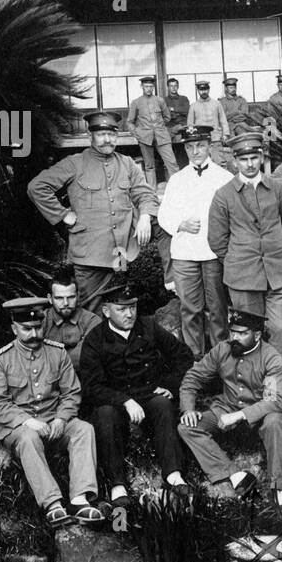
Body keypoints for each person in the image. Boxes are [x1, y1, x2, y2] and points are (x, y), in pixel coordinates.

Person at [0, 297, 103, 529]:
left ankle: (80, 499)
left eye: (38, 327)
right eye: (26, 329)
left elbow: (72, 393)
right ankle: (52, 504)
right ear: (14, 328)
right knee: (28, 438)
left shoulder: (57, 353)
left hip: (53, 421)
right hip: (16, 428)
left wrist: (61, 418)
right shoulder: (1, 360)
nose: (33, 334)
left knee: (83, 429)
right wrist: (28, 422)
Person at [78, 280, 194, 507]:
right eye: (121, 309)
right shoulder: (95, 339)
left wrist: (169, 385)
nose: (129, 314)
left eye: (133, 307)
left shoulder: (149, 327)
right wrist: (125, 401)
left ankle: (173, 475)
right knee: (105, 415)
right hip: (115, 400)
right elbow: (92, 387)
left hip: (148, 393)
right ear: (106, 311)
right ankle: (117, 485)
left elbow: (183, 356)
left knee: (163, 404)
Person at [27, 111, 157, 310]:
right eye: (101, 134)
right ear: (91, 136)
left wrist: (145, 217)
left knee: (120, 309)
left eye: (112, 134)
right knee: (91, 312)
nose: (107, 139)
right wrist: (63, 215)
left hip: (122, 253)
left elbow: (144, 194)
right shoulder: (75, 163)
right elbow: (37, 187)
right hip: (90, 255)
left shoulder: (127, 163)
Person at [177, 308, 282, 507]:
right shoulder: (222, 349)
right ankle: (236, 475)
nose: (235, 338)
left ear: (257, 335)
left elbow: (275, 401)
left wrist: (240, 415)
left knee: (275, 421)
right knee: (187, 427)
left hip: (259, 418)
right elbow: (193, 377)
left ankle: (279, 488)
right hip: (225, 411)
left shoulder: (271, 358)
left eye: (242, 333)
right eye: (233, 332)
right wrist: (188, 409)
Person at [208, 131, 282, 383]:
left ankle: (280, 390)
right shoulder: (224, 195)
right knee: (246, 334)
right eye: (243, 159)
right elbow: (217, 240)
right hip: (243, 278)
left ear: (261, 158)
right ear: (235, 161)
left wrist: (279, 250)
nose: (249, 164)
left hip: (277, 274)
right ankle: (249, 390)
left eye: (254, 157)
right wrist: (238, 259)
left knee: (280, 332)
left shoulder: (277, 188)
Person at [157, 125, 234, 359]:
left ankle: (222, 360)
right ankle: (195, 364)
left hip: (213, 254)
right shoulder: (177, 180)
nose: (195, 151)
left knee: (218, 310)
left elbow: (234, 215)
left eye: (200, 145)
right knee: (190, 310)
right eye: (190, 146)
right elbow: (164, 215)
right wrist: (181, 223)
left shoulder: (225, 178)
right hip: (184, 254)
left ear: (209, 146)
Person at [41, 266, 102, 367]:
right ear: (50, 298)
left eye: (71, 297)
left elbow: (85, 356)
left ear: (78, 296)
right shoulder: (42, 319)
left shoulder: (92, 321)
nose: (65, 303)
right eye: (59, 298)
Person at [126, 75, 178, 189]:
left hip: (162, 136)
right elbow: (130, 122)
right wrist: (137, 133)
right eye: (146, 86)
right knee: (149, 166)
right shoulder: (136, 102)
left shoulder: (159, 100)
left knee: (172, 163)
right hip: (145, 137)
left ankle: (177, 190)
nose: (149, 89)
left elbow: (167, 117)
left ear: (153, 87)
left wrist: (158, 126)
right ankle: (152, 192)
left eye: (151, 86)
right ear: (142, 87)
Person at [187, 80, 231, 166]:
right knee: (203, 163)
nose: (204, 92)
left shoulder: (217, 103)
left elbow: (223, 119)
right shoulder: (193, 106)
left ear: (209, 89)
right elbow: (190, 125)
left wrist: (225, 134)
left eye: (206, 89)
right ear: (198, 91)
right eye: (201, 90)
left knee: (219, 162)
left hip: (215, 138)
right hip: (201, 139)